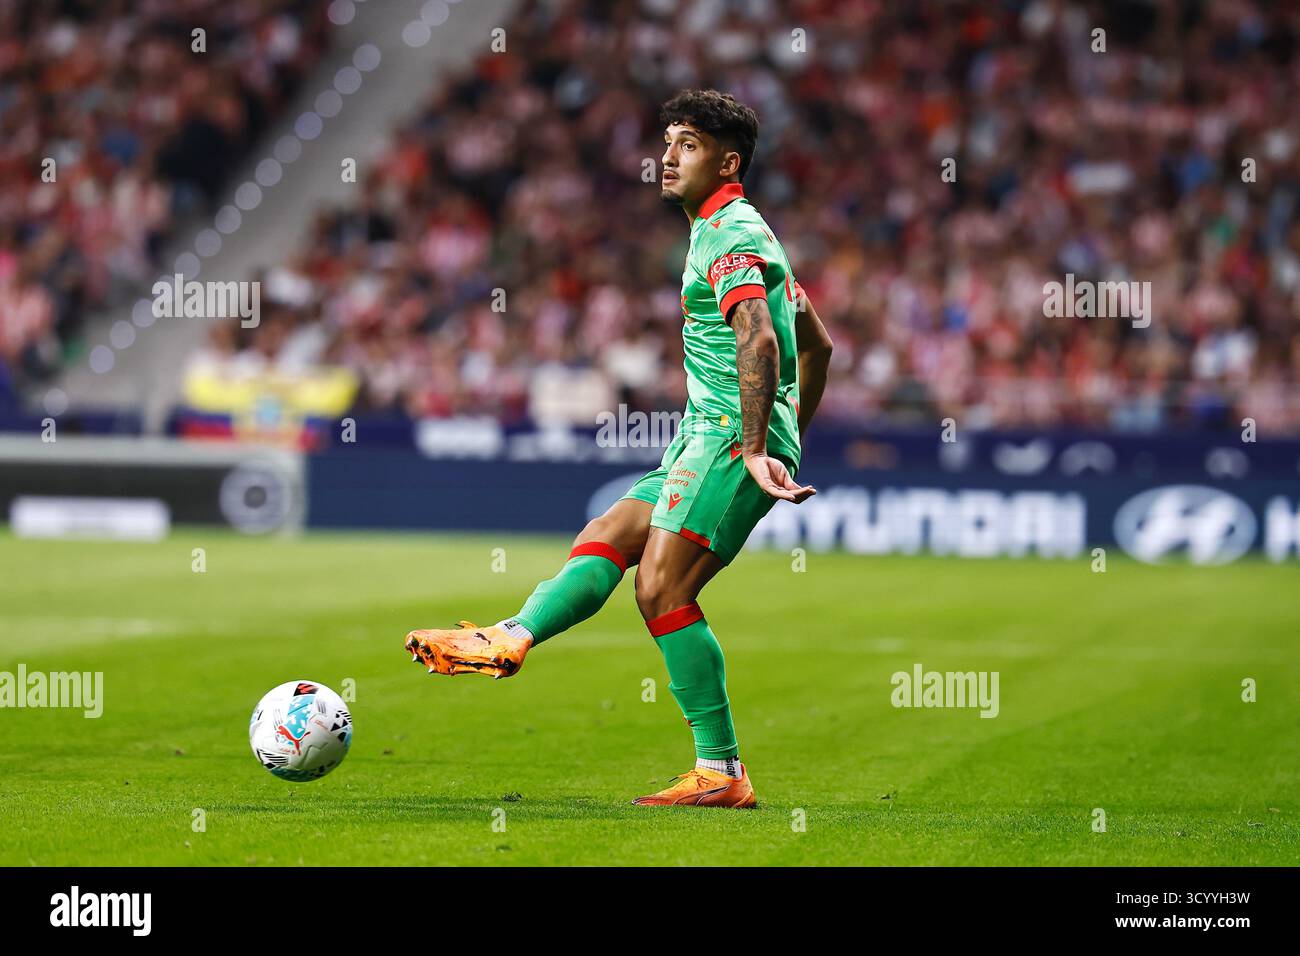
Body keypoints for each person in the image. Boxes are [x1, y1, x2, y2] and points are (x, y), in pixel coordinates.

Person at [404, 90, 834, 808]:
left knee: (662, 589)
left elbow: (759, 338)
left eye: (688, 144)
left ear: (728, 162)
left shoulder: (729, 233)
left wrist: (760, 444)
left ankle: (721, 773)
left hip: (728, 435)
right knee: (608, 532)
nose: (667, 156)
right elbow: (817, 346)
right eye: (667, 141)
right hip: (712, 434)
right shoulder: (737, 234)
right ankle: (511, 636)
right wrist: (791, 434)